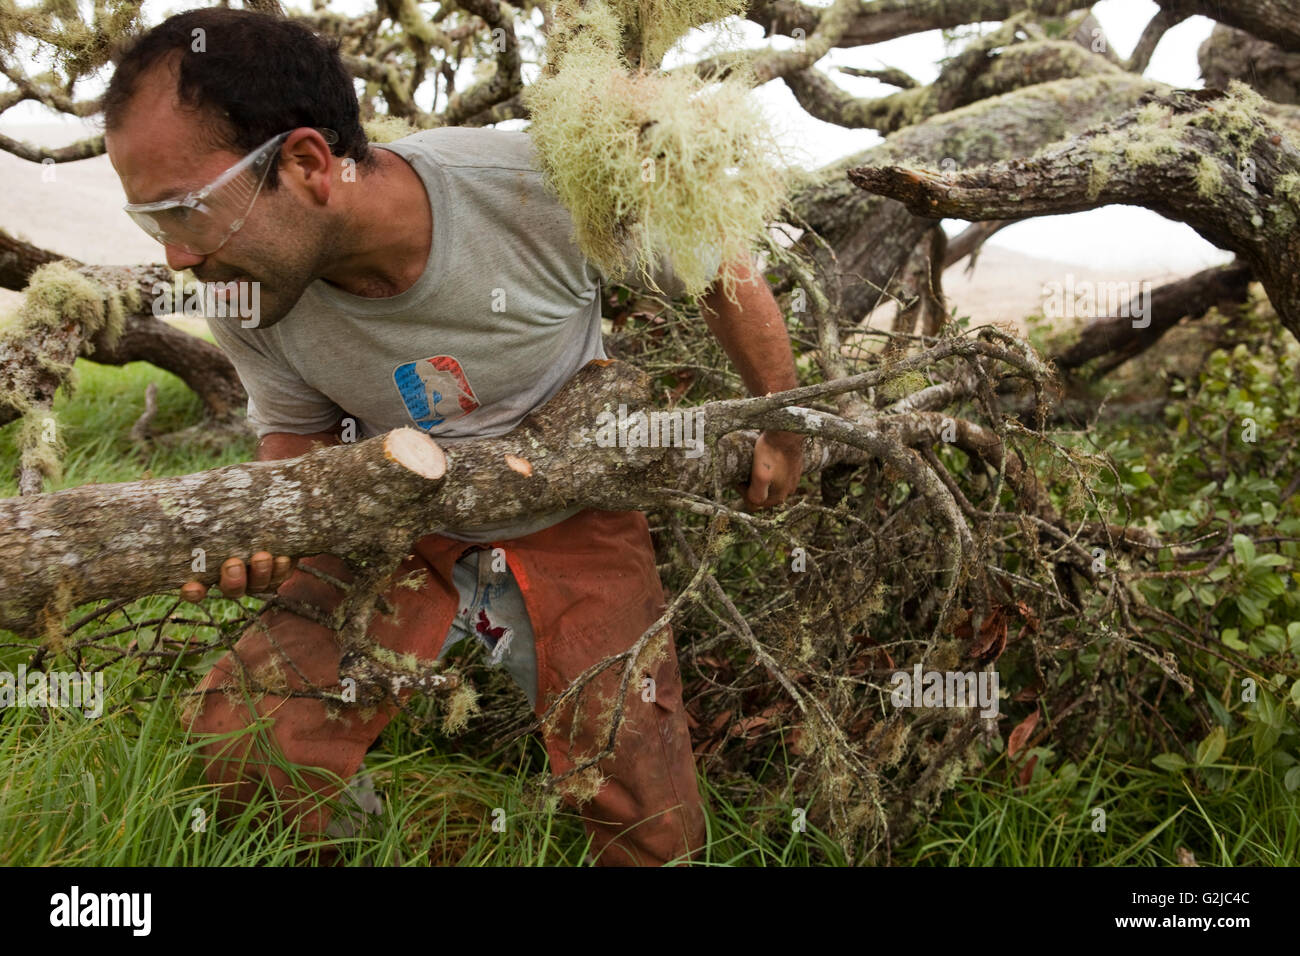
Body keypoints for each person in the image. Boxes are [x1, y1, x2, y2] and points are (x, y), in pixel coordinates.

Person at [102, 7, 804, 866]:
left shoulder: (536, 190)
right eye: (152, 225)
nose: (175, 258)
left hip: (573, 505)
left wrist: (781, 421)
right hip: (391, 524)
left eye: (183, 212)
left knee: (649, 811)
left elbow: (716, 262)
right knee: (244, 738)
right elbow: (297, 439)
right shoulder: (247, 289)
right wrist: (273, 528)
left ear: (307, 163)